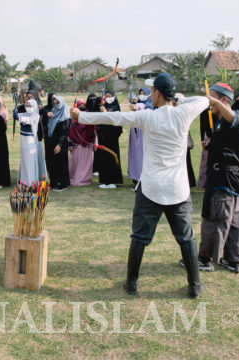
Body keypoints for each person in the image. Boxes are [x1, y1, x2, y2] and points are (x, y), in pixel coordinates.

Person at [71, 73, 209, 298]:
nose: (151, 94)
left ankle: (131, 284)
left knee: (139, 237)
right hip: (177, 189)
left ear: (156, 93)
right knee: (186, 238)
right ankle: (194, 285)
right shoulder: (183, 112)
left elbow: (115, 118)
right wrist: (180, 99)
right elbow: (204, 100)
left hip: (152, 188)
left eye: (153, 91)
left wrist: (81, 116)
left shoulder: (148, 117)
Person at [195, 82, 239, 274]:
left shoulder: (235, 117)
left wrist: (213, 100)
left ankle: (204, 259)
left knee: (216, 218)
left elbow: (235, 119)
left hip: (224, 179)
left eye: (213, 98)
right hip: (227, 177)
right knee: (232, 220)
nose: (209, 103)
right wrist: (211, 144)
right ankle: (232, 260)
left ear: (224, 100)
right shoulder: (220, 121)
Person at [96, 90, 123, 189]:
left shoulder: (116, 107)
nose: (108, 98)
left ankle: (113, 181)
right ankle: (105, 180)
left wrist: (105, 113)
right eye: (106, 96)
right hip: (103, 136)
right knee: (103, 158)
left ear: (114, 96)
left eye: (110, 96)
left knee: (112, 156)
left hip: (112, 137)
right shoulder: (104, 106)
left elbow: (115, 119)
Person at [45, 95, 71, 190]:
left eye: (58, 102)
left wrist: (59, 145)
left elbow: (64, 132)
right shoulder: (53, 113)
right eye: (54, 102)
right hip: (52, 142)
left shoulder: (65, 116)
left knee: (61, 163)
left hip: (61, 144)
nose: (55, 104)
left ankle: (63, 184)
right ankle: (54, 182)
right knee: (53, 163)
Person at [67, 99, 95, 187]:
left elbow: (93, 129)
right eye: (80, 105)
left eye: (83, 105)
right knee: (76, 162)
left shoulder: (88, 115)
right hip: (76, 144)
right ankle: (75, 178)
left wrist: (94, 141)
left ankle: (85, 179)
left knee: (85, 163)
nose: (82, 106)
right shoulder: (73, 117)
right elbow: (70, 131)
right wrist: (70, 143)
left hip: (87, 143)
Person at [14, 98, 42, 186]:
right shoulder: (25, 113)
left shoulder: (36, 116)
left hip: (30, 141)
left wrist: (17, 116)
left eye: (30, 106)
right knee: (24, 162)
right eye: (26, 106)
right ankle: (24, 181)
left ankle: (30, 182)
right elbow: (17, 114)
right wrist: (15, 108)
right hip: (23, 141)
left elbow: (25, 119)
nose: (28, 107)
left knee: (30, 162)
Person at [127, 102, 146, 188]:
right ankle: (135, 178)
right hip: (134, 143)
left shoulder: (144, 117)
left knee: (140, 160)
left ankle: (141, 180)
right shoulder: (134, 117)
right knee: (134, 159)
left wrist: (137, 107)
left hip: (141, 144)